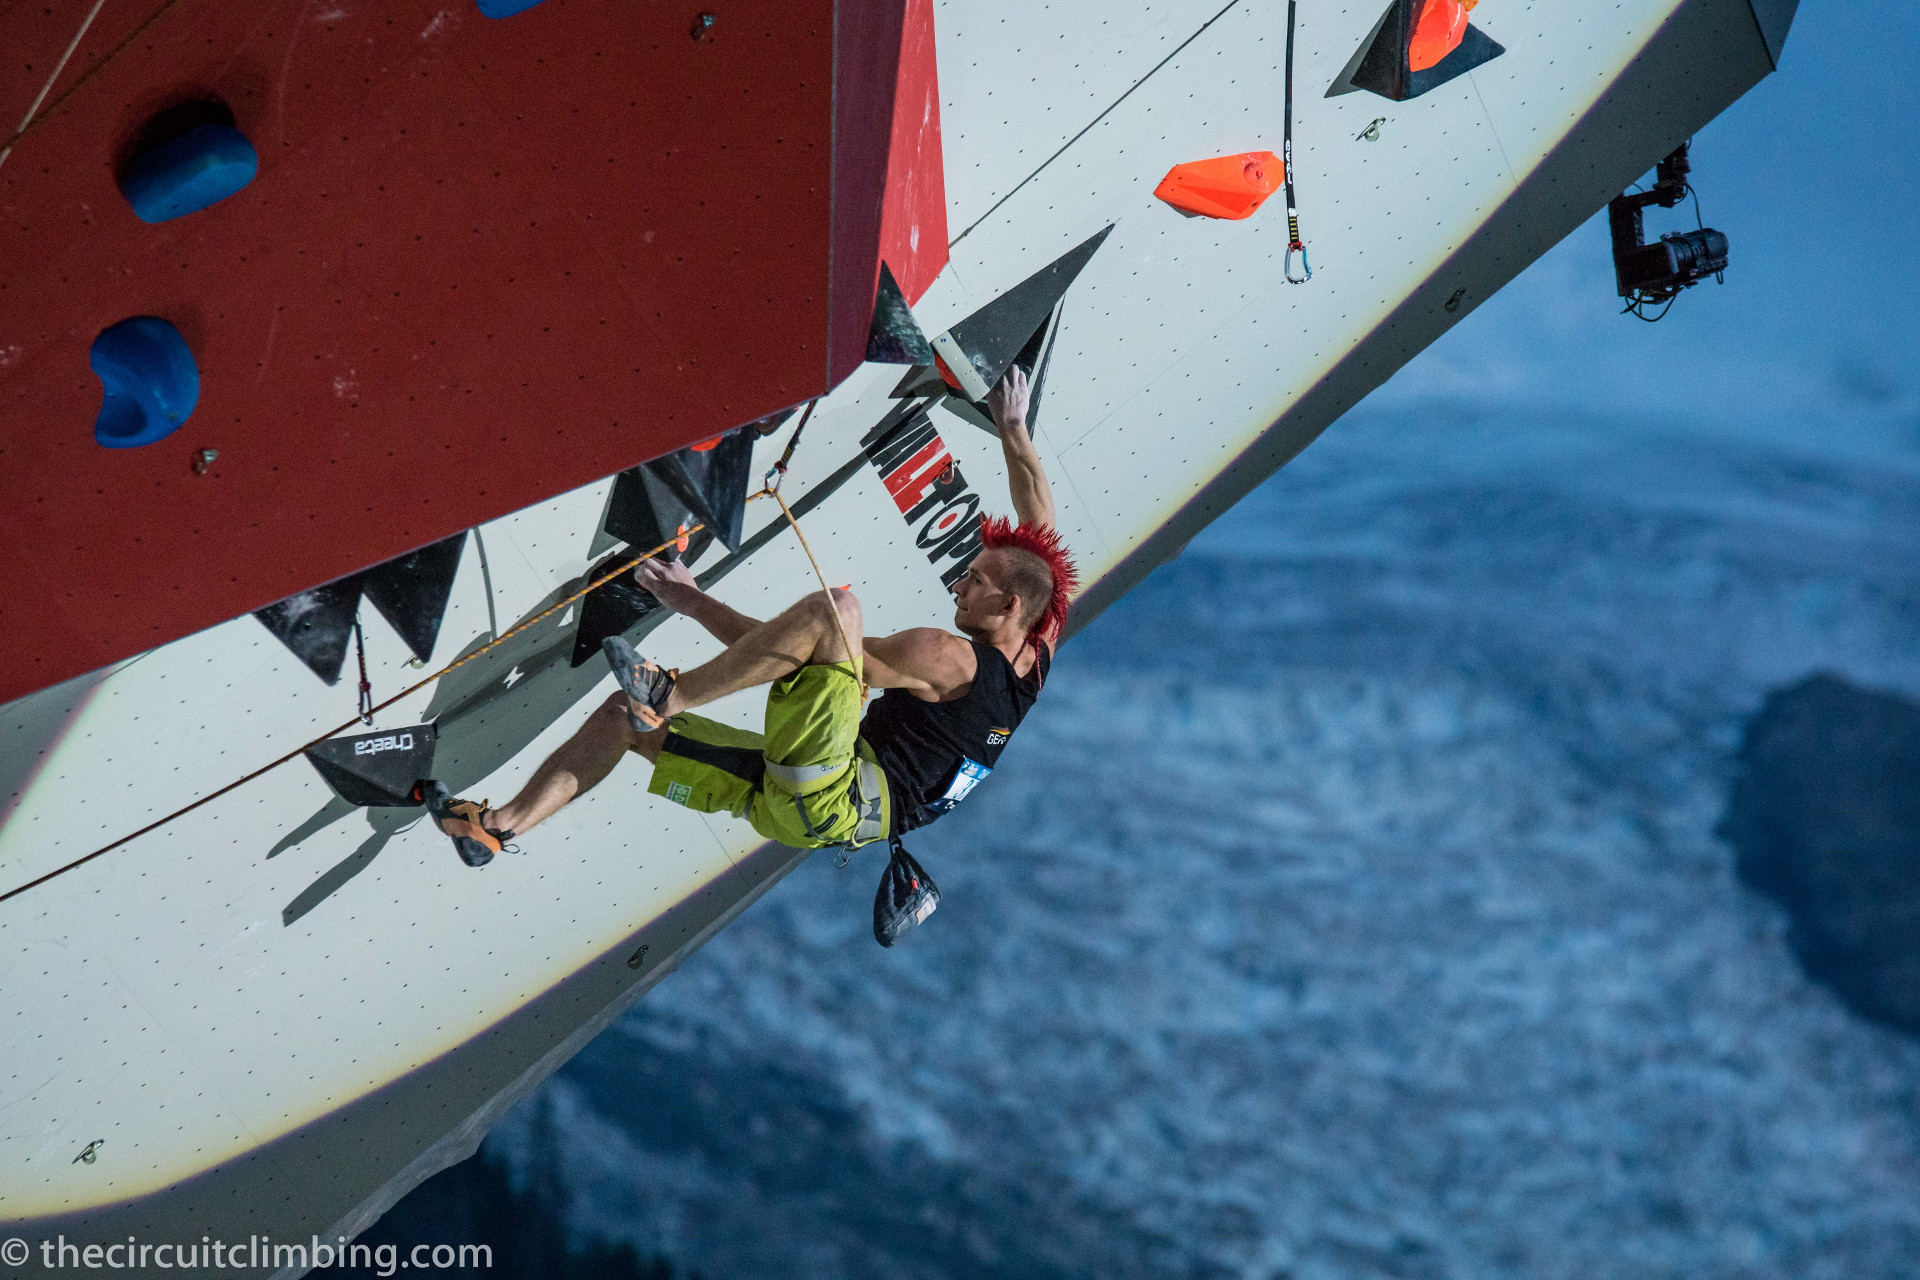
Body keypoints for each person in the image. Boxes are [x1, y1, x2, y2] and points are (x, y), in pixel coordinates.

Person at [424, 366, 1079, 867]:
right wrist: (1013, 426)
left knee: (838, 611)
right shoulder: (1036, 646)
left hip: (828, 791)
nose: (959, 583)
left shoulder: (947, 658)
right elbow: (1039, 523)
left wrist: (690, 607)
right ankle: (497, 826)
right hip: (810, 814)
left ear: (1007, 605)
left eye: (974, 580)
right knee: (620, 723)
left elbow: (806, 649)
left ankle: (667, 694)